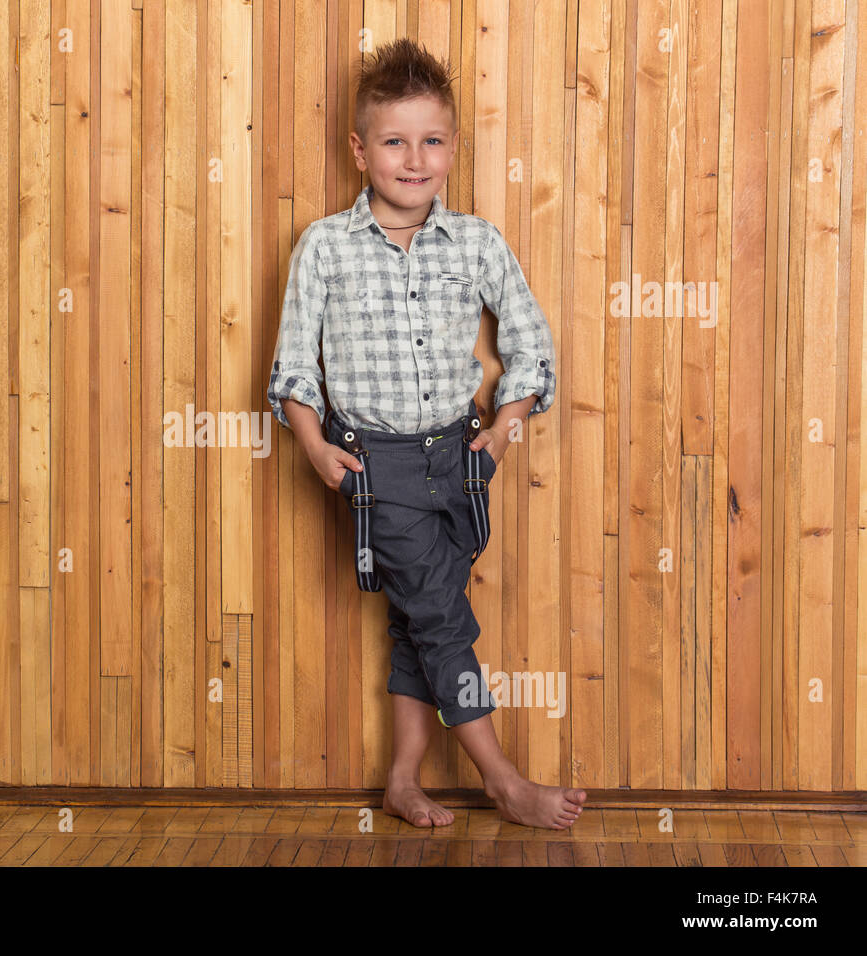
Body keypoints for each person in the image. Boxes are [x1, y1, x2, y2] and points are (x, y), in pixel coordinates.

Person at [265, 37, 585, 830]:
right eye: (394, 141)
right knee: (444, 620)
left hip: (462, 459)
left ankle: (402, 782)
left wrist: (506, 425)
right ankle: (504, 781)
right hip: (379, 466)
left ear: (452, 148)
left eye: (432, 140)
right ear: (360, 147)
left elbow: (529, 336)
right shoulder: (325, 248)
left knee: (417, 621)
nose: (414, 159)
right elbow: (291, 369)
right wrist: (314, 448)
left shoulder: (474, 241)